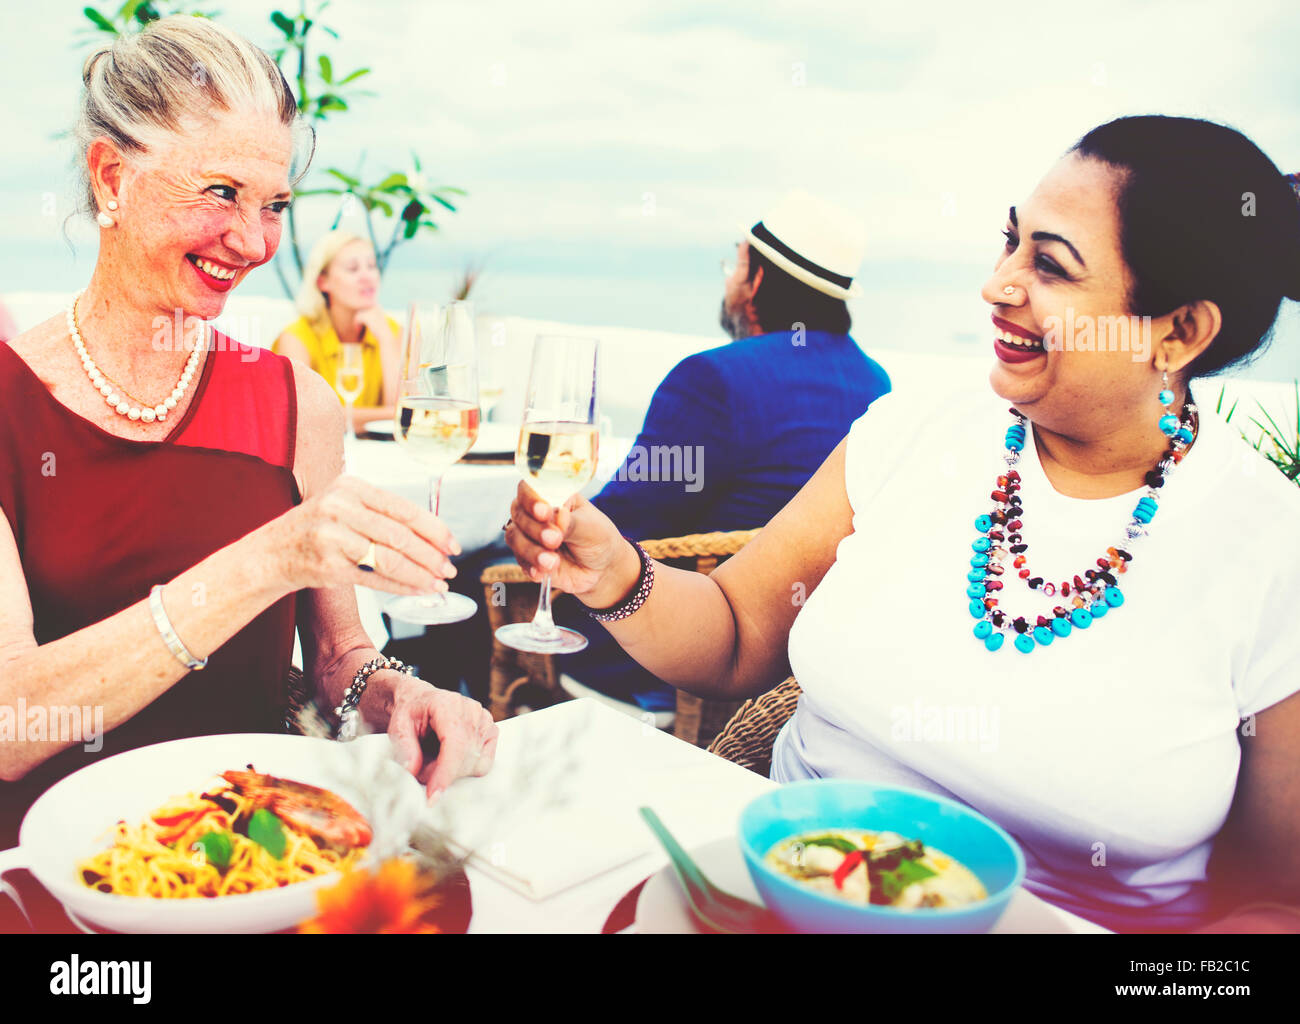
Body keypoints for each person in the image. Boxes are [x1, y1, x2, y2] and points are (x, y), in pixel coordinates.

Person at [507, 116, 1300, 933]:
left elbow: (1274, 903)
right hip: (773, 900)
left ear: (1180, 332)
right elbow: (738, 633)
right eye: (1010, 240)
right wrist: (615, 576)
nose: (998, 284)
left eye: (1051, 266)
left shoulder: (1272, 552)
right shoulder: (914, 428)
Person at [0, 18, 496, 871]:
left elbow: (338, 661)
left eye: (274, 206)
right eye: (221, 192)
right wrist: (264, 562)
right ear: (111, 178)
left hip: (264, 860)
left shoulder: (295, 402)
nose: (256, 242)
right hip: (53, 878)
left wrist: (400, 694)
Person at [556, 191, 891, 713]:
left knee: (473, 573)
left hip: (670, 653)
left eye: (735, 265)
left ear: (757, 279)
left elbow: (615, 525)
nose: (730, 280)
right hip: (799, 672)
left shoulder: (714, 379)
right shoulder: (876, 385)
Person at [273, 231, 401, 434]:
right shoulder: (296, 339)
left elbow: (405, 417)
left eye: (372, 266)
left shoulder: (392, 332)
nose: (367, 276)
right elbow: (305, 417)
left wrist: (386, 341)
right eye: (353, 269)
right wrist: (392, 414)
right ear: (323, 282)